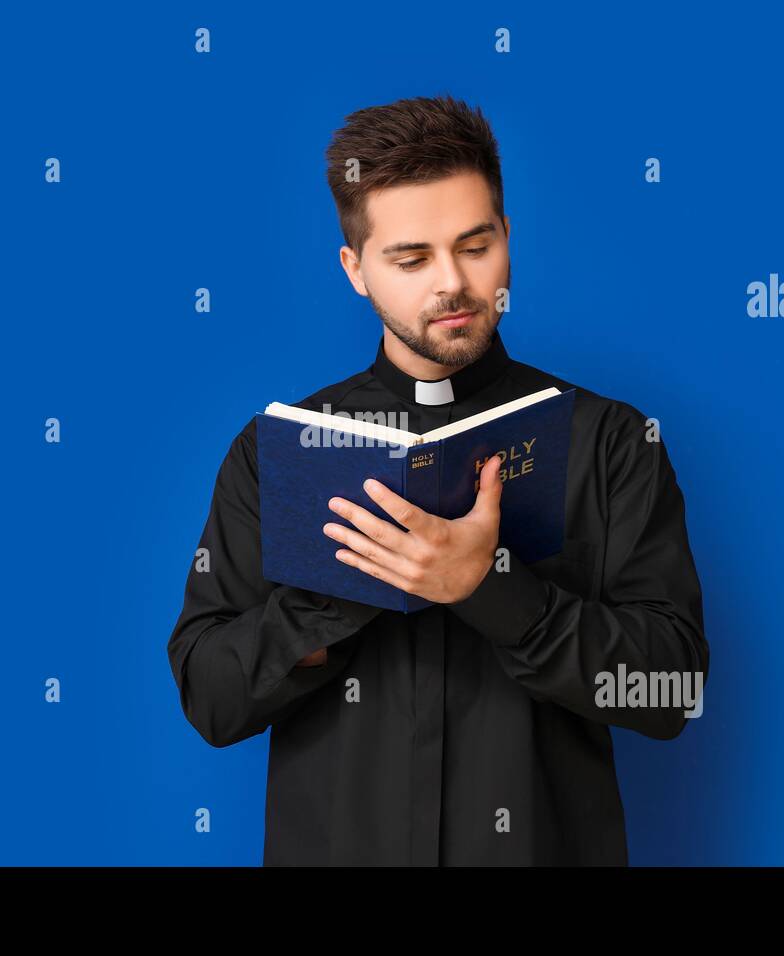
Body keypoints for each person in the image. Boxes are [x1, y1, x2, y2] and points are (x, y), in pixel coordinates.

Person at [167, 95, 708, 865]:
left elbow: (671, 691)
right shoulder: (273, 451)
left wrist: (491, 587)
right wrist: (333, 597)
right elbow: (211, 700)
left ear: (508, 239)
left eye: (475, 245)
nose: (452, 283)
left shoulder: (611, 441)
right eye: (412, 258)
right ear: (355, 270)